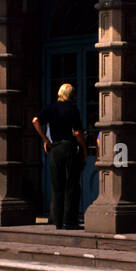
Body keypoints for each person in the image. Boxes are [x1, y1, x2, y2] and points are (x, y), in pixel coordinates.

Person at [33, 83, 87, 230]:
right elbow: (77, 133)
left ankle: (58, 222)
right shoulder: (72, 109)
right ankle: (69, 221)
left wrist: (46, 140)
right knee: (71, 186)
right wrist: (84, 149)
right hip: (69, 148)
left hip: (55, 149)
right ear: (72, 96)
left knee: (57, 187)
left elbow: (35, 121)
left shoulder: (50, 108)